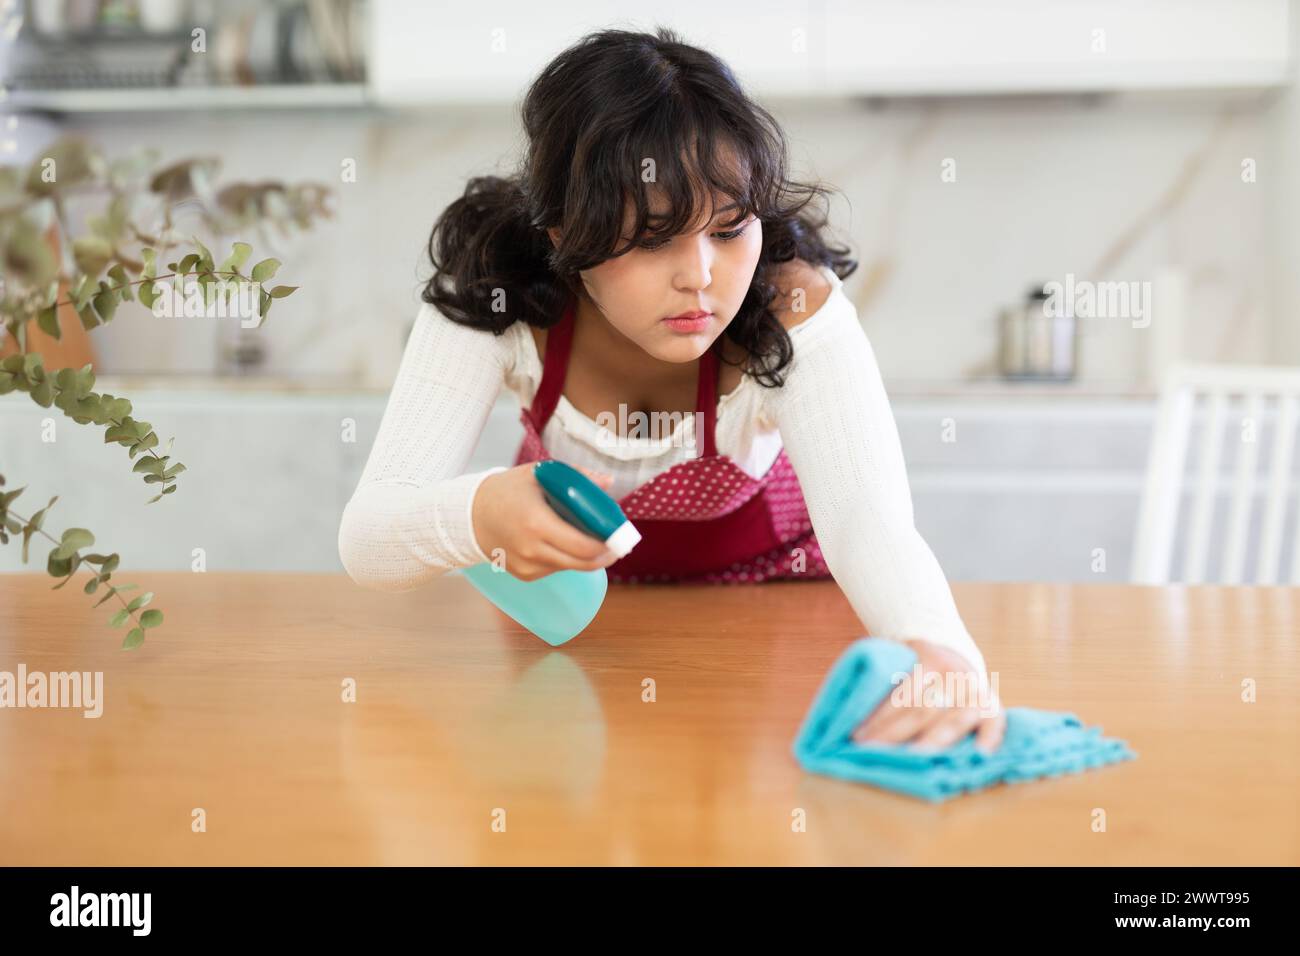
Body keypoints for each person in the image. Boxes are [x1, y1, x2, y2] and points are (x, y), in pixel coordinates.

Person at [339, 27, 1006, 754]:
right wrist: (478, 511)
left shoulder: (793, 307)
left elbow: (867, 524)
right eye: (655, 238)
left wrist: (946, 656)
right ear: (566, 232)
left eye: (729, 229)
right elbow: (368, 538)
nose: (701, 276)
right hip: (579, 638)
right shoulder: (497, 292)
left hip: (777, 616)